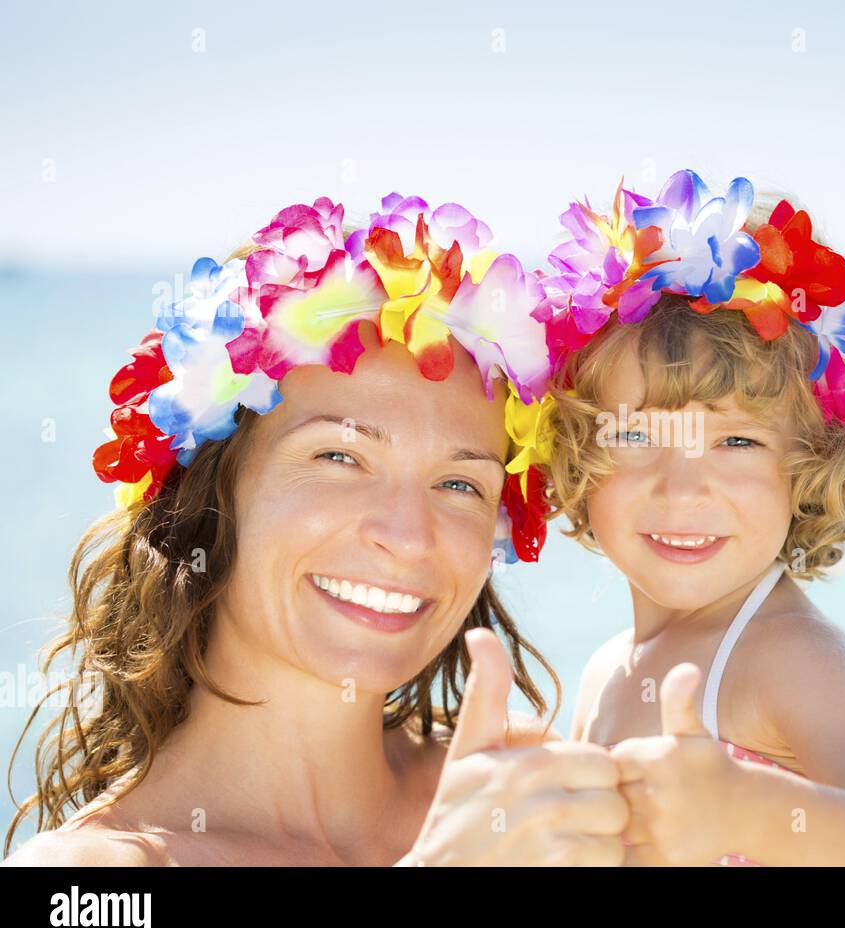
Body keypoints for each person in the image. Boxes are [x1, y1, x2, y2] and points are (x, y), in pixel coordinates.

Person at [3, 194, 626, 866]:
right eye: (340, 457)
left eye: (458, 485)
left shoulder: (525, 797)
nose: (409, 536)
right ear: (206, 491)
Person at [538, 170, 845, 865]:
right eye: (636, 437)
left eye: (737, 442)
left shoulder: (786, 656)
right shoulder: (603, 673)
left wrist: (748, 812)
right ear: (578, 453)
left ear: (807, 464)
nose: (684, 490)